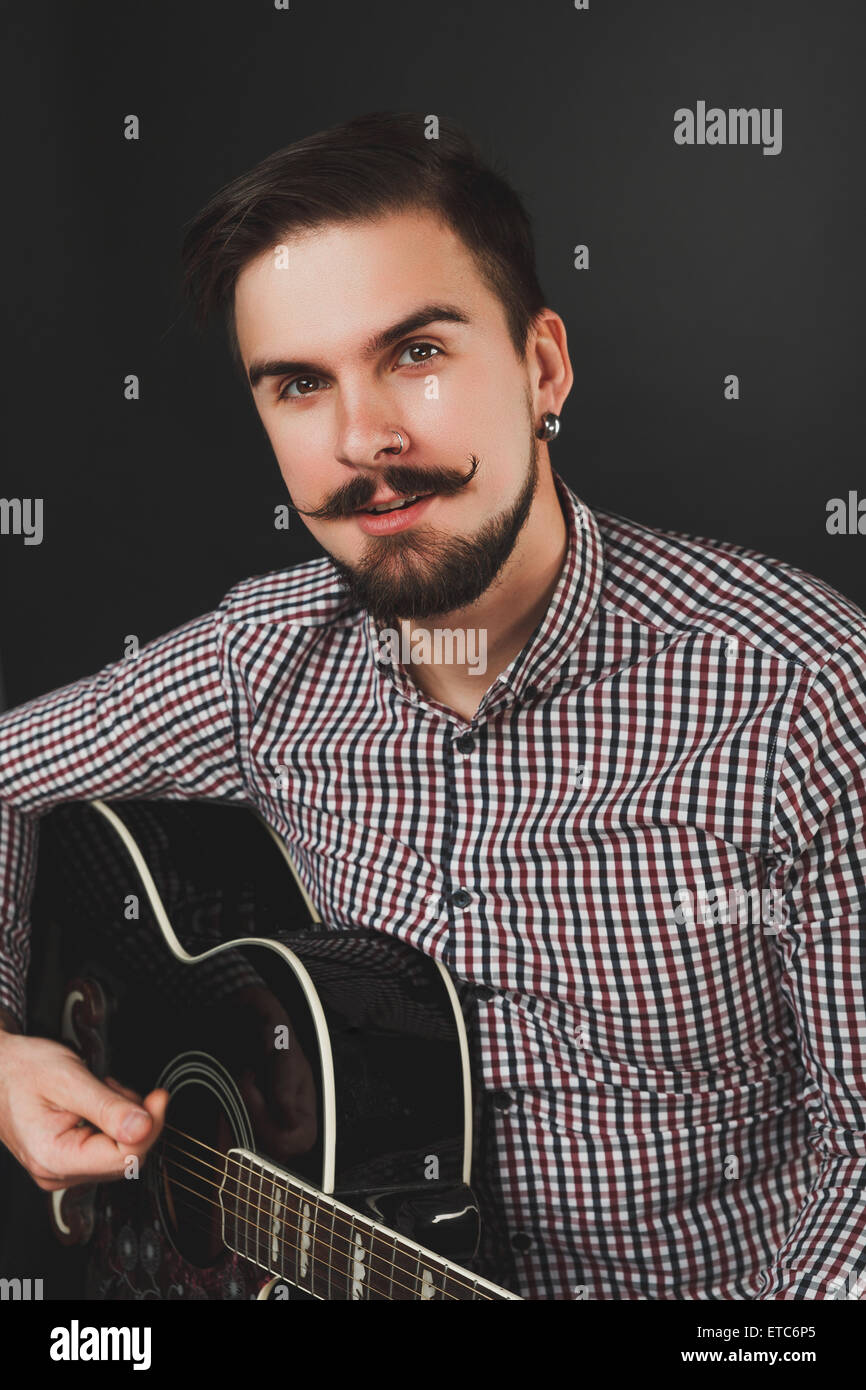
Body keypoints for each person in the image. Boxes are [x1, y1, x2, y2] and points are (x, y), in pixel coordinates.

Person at [1, 110, 865, 1301]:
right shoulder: (264, 658)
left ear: (541, 366)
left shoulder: (797, 693)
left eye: (416, 352)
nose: (366, 440)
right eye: (300, 384)